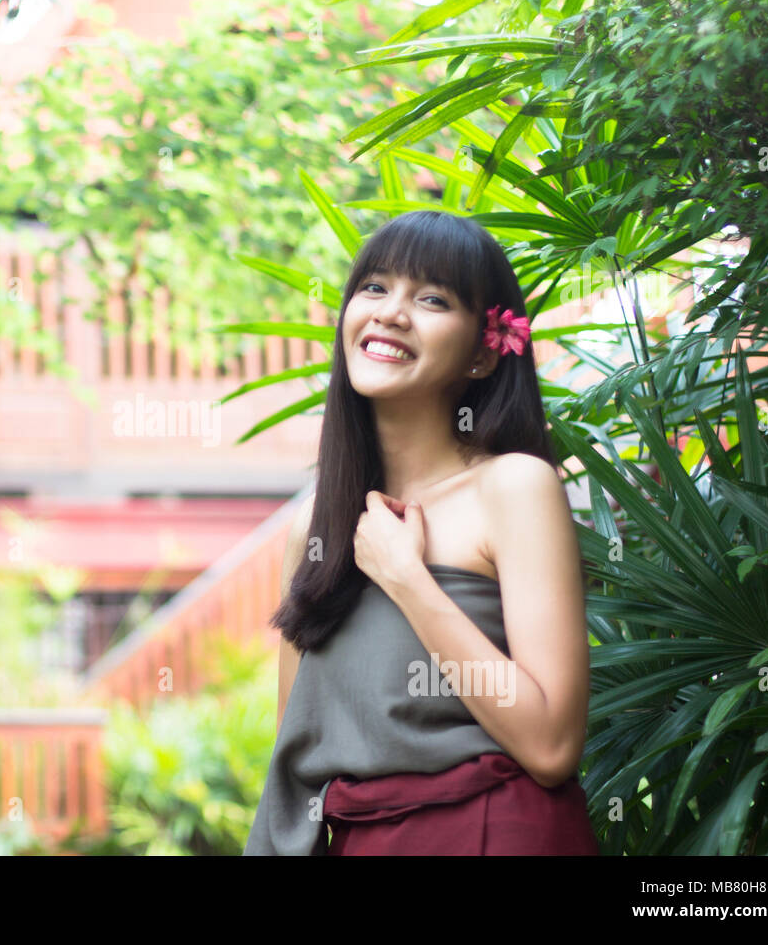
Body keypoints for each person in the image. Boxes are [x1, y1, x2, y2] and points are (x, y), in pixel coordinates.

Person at [243, 210, 599, 855]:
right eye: (374, 287)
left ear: (487, 350)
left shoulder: (513, 486)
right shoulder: (316, 525)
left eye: (432, 298)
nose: (391, 312)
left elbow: (551, 745)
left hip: (494, 831)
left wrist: (409, 579)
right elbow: (296, 761)